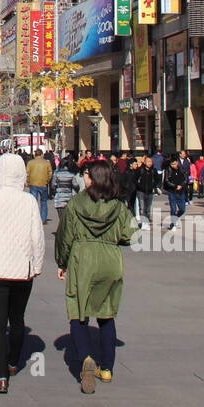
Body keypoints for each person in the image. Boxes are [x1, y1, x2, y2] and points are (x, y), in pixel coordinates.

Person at [56, 161, 137, 395]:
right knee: (107, 313)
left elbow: (65, 236)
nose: (85, 178)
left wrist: (62, 262)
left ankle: (86, 358)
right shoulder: (119, 206)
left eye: (87, 174)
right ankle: (108, 368)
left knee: (78, 311)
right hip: (110, 259)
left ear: (94, 178)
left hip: (82, 258)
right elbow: (132, 234)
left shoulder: (76, 203)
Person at [0, 153, 43, 394]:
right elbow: (37, 236)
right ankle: (14, 361)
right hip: (22, 268)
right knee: (17, 319)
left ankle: (0, 376)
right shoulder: (28, 200)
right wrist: (37, 265)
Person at [161, 153, 187, 230]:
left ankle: (175, 218)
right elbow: (166, 181)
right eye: (172, 164)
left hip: (181, 191)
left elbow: (185, 179)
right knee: (173, 209)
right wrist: (175, 186)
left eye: (175, 164)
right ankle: (173, 223)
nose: (174, 166)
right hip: (172, 191)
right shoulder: (168, 170)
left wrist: (181, 185)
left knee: (182, 209)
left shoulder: (181, 169)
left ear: (177, 163)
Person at [50, 158, 78, 229]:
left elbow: (53, 185)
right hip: (68, 198)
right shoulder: (71, 174)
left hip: (59, 198)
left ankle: (62, 231)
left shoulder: (57, 174)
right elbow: (76, 186)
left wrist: (54, 192)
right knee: (67, 217)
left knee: (61, 218)